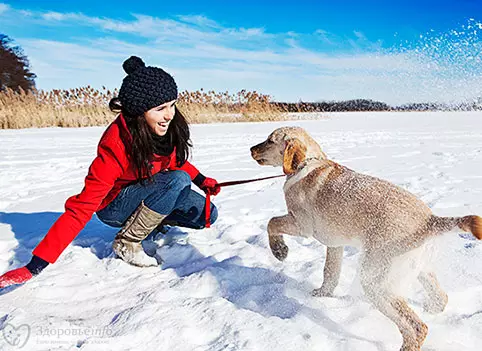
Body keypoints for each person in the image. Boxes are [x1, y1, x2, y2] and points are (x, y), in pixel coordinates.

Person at [0, 56, 220, 289]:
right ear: (139, 111)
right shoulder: (116, 143)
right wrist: (34, 265)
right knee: (177, 181)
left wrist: (202, 180)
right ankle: (128, 241)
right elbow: (82, 207)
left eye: (172, 104)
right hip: (115, 206)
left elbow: (174, 161)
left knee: (206, 214)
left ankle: (150, 222)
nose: (170, 114)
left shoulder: (164, 129)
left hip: (151, 189)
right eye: (160, 108)